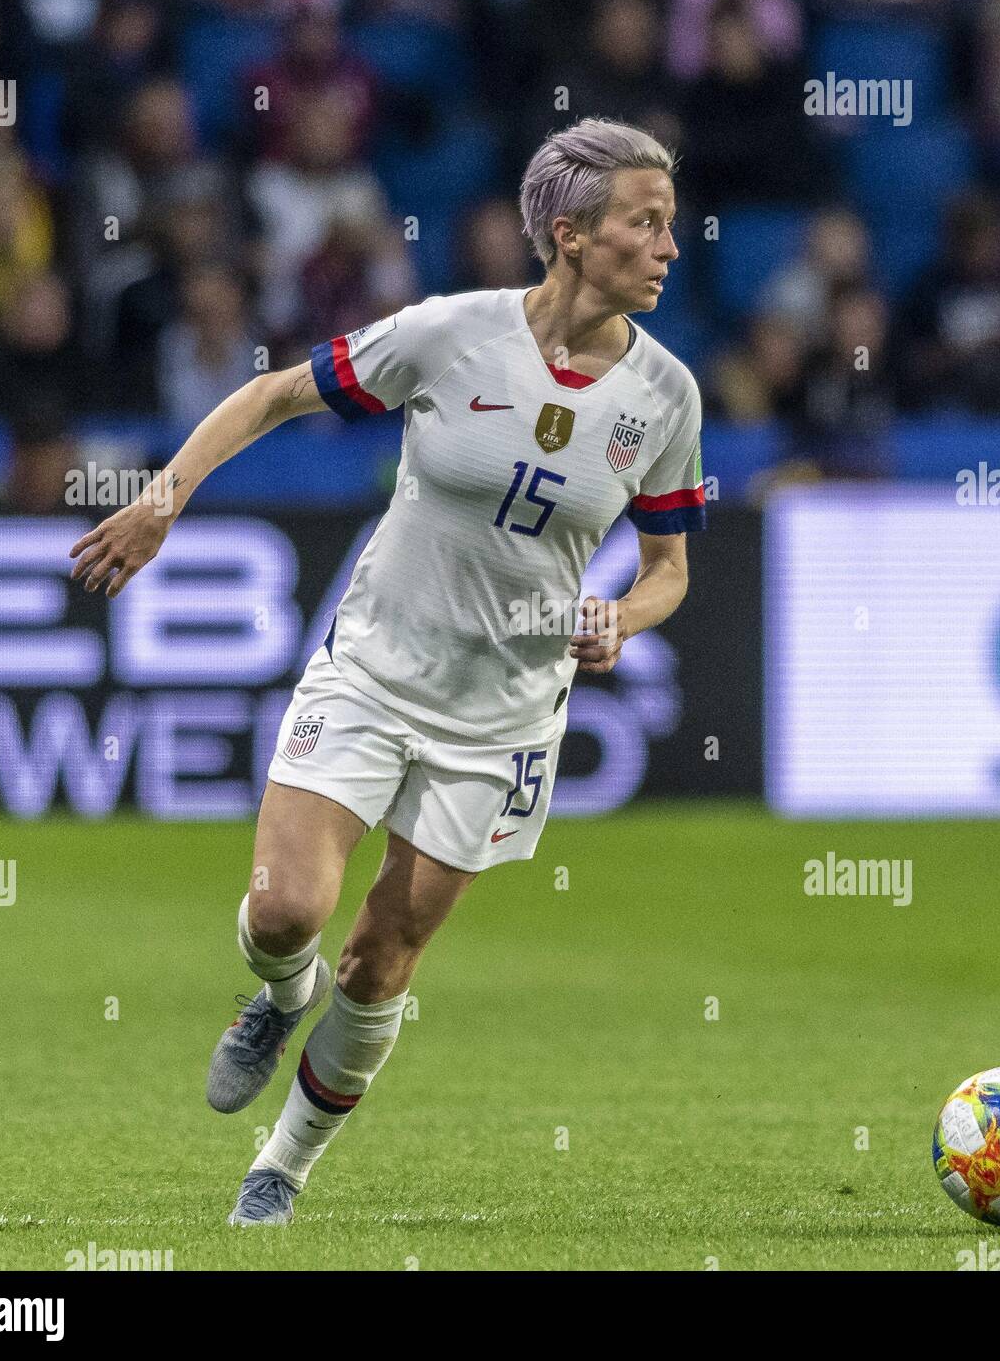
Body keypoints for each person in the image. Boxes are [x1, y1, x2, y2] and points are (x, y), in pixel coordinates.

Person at [67, 118, 705, 1227]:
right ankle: (275, 997)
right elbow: (271, 395)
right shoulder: (451, 334)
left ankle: (282, 1168)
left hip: (501, 720)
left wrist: (624, 619)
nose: (669, 247)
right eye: (644, 224)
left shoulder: (665, 399)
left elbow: (667, 570)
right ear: (569, 234)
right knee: (284, 914)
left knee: (379, 958)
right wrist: (163, 499)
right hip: (371, 672)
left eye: (670, 224)